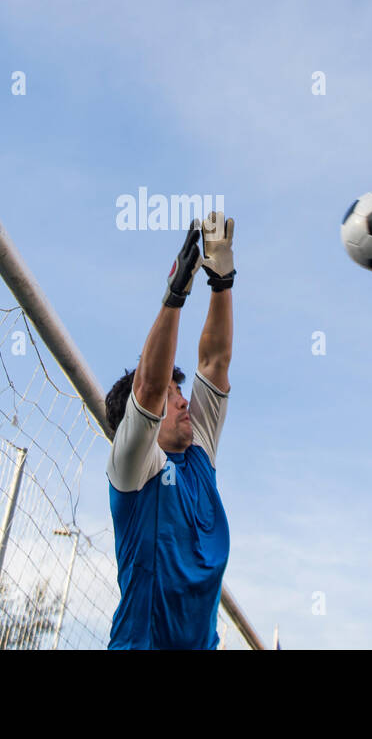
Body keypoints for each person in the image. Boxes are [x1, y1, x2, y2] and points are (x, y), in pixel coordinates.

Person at [103, 211, 235, 649]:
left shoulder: (199, 455)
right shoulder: (133, 469)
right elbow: (148, 384)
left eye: (182, 394)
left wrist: (222, 282)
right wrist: (176, 291)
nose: (182, 401)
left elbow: (214, 363)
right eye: (171, 396)